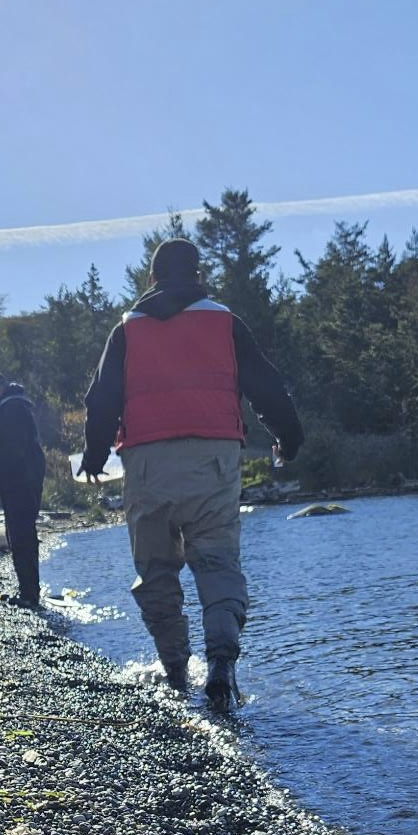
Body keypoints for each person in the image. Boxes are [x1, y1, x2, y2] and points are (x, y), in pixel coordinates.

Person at [79, 238, 304, 709]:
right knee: (217, 561)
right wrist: (289, 436)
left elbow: (101, 399)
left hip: (146, 460)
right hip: (213, 456)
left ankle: (175, 670)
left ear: (153, 277)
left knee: (156, 568)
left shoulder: (127, 330)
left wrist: (95, 455)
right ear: (198, 273)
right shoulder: (224, 322)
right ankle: (221, 664)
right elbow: (266, 384)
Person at [0, 370, 47, 609]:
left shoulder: (12, 410)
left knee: (21, 538)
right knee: (20, 537)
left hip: (20, 485)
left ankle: (29, 595)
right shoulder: (12, 407)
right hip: (21, 484)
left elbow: (15, 451)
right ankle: (28, 591)